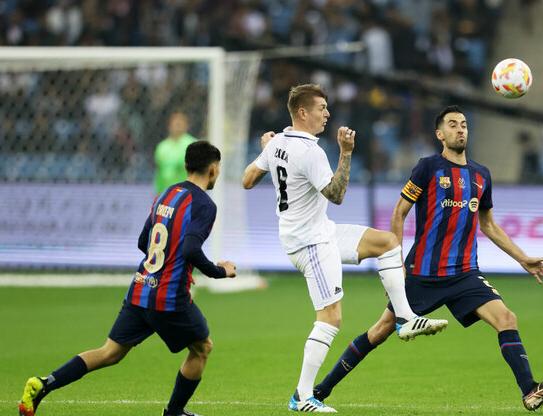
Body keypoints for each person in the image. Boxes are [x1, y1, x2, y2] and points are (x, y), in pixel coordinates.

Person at [312, 105, 543, 412]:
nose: (460, 129)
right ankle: (319, 390)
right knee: (381, 330)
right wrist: (394, 268)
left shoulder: (480, 175)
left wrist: (522, 258)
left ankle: (530, 391)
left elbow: (487, 224)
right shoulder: (428, 168)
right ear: (440, 134)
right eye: (452, 125)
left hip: (464, 274)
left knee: (506, 318)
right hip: (422, 273)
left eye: (463, 124)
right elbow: (400, 212)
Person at [241, 84, 448, 413]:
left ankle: (405, 317)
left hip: (320, 231)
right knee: (331, 317)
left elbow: (247, 180)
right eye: (322, 108)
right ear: (303, 113)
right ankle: (303, 396)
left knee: (388, 243)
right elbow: (335, 194)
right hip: (309, 243)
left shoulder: (278, 141)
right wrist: (346, 152)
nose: (327, 113)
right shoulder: (310, 152)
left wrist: (265, 150)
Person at [19, 141, 238, 416]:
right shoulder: (205, 204)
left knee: (109, 352)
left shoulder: (167, 194)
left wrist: (163, 267)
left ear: (186, 165)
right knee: (202, 348)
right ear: (214, 168)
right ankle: (174, 412)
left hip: (141, 288)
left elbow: (143, 241)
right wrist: (221, 271)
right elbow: (191, 249)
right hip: (168, 297)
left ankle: (43, 384)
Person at [154, 111, 198, 194]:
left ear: (186, 125)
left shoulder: (193, 145)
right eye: (175, 123)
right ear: (169, 125)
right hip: (166, 194)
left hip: (186, 194)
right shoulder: (162, 147)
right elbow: (159, 172)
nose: (177, 125)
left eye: (180, 123)